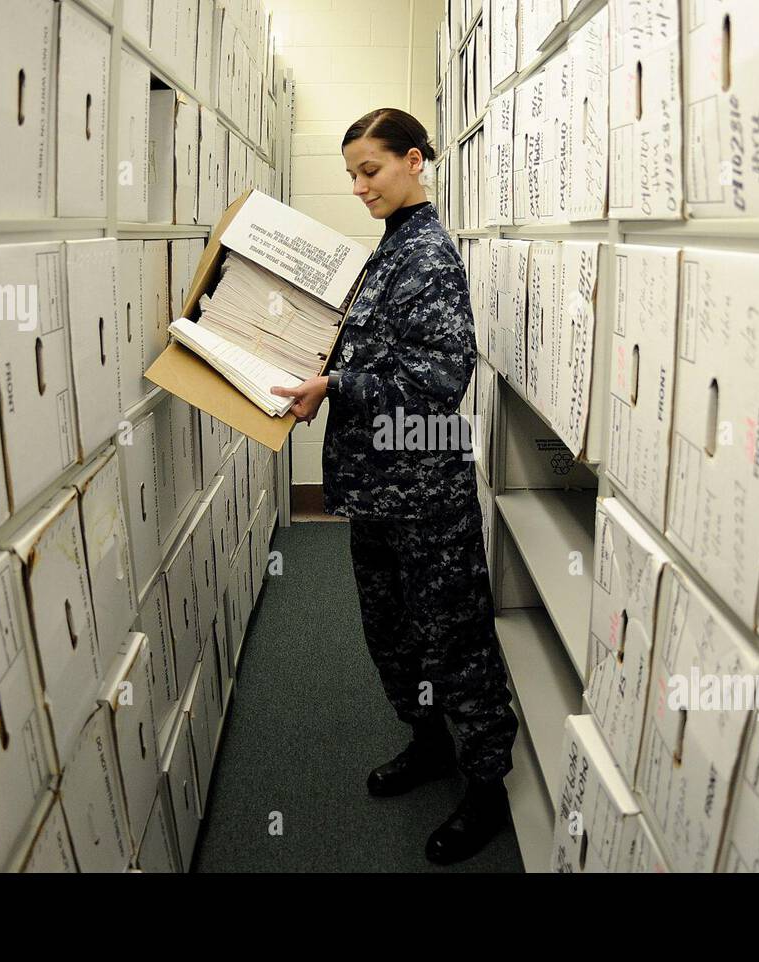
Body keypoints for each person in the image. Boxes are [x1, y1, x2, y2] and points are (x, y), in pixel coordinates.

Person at [270, 107, 519, 866]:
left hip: (423, 500)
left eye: (369, 170)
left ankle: (485, 788)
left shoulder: (429, 257)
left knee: (455, 643)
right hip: (379, 493)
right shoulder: (388, 251)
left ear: (414, 161)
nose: (357, 186)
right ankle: (428, 744)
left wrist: (335, 382)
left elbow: (441, 379)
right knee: (394, 638)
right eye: (350, 173)